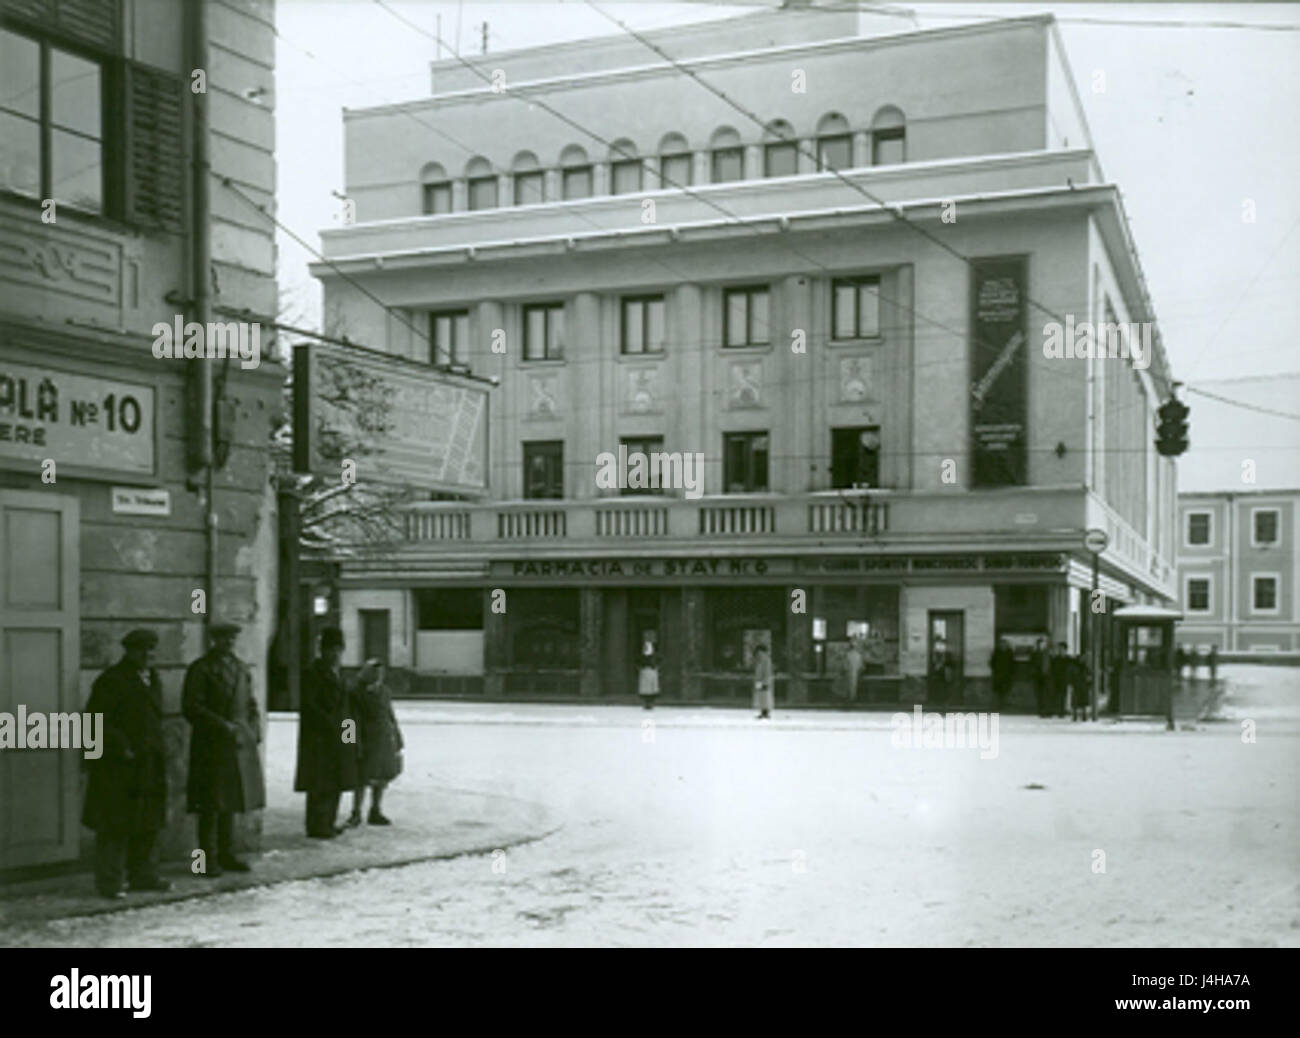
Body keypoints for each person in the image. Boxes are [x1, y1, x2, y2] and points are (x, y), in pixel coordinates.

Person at [83, 629, 171, 899]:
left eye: (152, 650)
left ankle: (143, 875)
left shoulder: (153, 679)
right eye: (142, 650)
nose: (148, 656)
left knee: (147, 822)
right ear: (129, 652)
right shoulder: (111, 680)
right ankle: (109, 882)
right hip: (119, 766)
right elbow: (94, 721)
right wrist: (121, 746)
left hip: (149, 763)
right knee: (115, 826)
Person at [182, 620, 264, 875]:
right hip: (210, 745)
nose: (228, 643)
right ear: (213, 640)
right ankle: (206, 859)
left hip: (236, 746)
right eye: (223, 638)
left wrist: (254, 729)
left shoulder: (240, 669)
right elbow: (192, 707)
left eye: (231, 638)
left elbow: (250, 703)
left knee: (230, 801)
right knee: (209, 804)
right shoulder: (201, 669)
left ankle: (227, 854)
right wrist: (221, 726)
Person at [295, 626, 356, 838]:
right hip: (319, 738)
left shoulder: (339, 674)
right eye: (331, 650)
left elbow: (347, 708)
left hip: (338, 737)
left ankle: (328, 822)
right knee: (320, 782)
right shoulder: (313, 673)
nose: (335, 654)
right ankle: (316, 825)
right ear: (322, 651)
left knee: (336, 781)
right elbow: (310, 706)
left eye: (339, 650)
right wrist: (332, 726)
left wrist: (350, 738)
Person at [347, 659, 402, 826]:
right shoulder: (354, 692)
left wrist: (398, 739)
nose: (378, 676)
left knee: (381, 777)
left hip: (384, 740)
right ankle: (356, 813)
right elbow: (348, 719)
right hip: (365, 740)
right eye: (375, 672)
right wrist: (348, 742)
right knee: (361, 778)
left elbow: (390, 716)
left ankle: (375, 810)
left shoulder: (385, 691)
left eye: (381, 673)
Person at [990, 638, 1014, 712]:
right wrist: (996, 669)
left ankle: (1003, 704)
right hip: (999, 674)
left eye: (1004, 644)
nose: (1003, 645)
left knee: (1005, 690)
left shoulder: (1009, 652)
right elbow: (992, 662)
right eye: (1002, 644)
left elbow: (1012, 663)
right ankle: (999, 705)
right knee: (998, 690)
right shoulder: (996, 652)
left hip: (1006, 674)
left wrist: (1011, 672)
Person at [753, 643, 774, 720]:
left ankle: (765, 712)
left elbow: (767, 671)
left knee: (765, 696)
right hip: (760, 680)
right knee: (760, 696)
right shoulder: (760, 660)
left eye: (759, 651)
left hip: (764, 681)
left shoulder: (766, 659)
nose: (758, 653)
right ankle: (762, 711)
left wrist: (764, 681)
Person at [1049, 642, 1071, 717]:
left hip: (1064, 680)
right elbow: (1052, 669)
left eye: (1061, 649)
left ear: (1065, 650)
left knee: (1063, 695)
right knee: (1055, 695)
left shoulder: (1068, 659)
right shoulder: (1055, 659)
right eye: (1059, 649)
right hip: (1056, 679)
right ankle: (1056, 710)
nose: (1060, 650)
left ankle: (1061, 711)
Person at [637, 641, 660, 711]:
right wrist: (640, 668)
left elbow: (659, 662)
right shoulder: (641, 656)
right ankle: (645, 704)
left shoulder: (655, 656)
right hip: (644, 673)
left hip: (652, 673)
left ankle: (650, 703)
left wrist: (656, 667)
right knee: (645, 690)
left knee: (651, 689)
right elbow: (638, 663)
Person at [1032, 638, 1051, 717]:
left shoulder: (1047, 654)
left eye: (1043, 644)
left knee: (1045, 694)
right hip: (1038, 676)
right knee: (1039, 694)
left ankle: (1045, 710)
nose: (1041, 646)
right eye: (1040, 644)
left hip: (1046, 676)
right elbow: (1033, 664)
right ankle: (1041, 710)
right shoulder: (1035, 654)